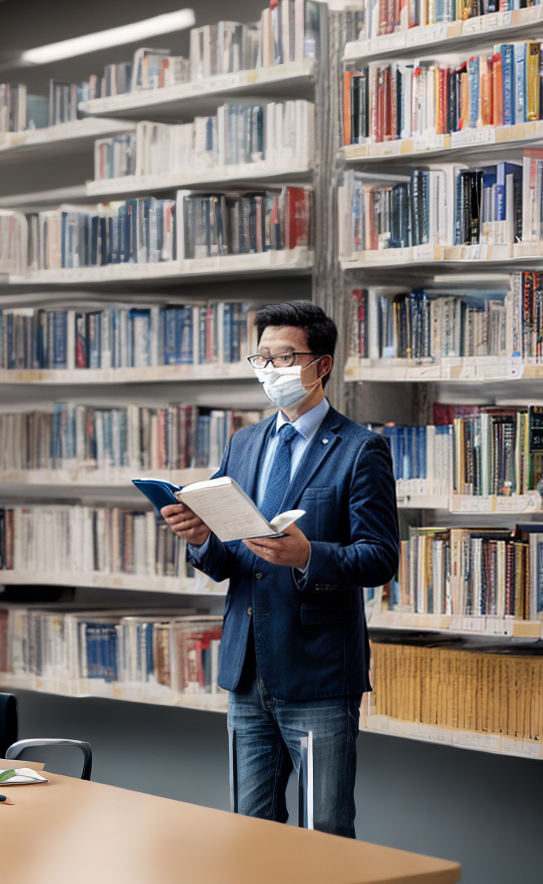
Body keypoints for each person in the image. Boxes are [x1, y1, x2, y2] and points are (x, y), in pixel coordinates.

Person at [161, 300, 398, 837]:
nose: (272, 371)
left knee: (324, 832)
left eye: (285, 357)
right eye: (262, 359)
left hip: (316, 674)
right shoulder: (244, 443)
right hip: (246, 673)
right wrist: (199, 538)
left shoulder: (361, 450)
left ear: (322, 365)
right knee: (251, 830)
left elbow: (381, 557)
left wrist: (308, 554)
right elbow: (229, 559)